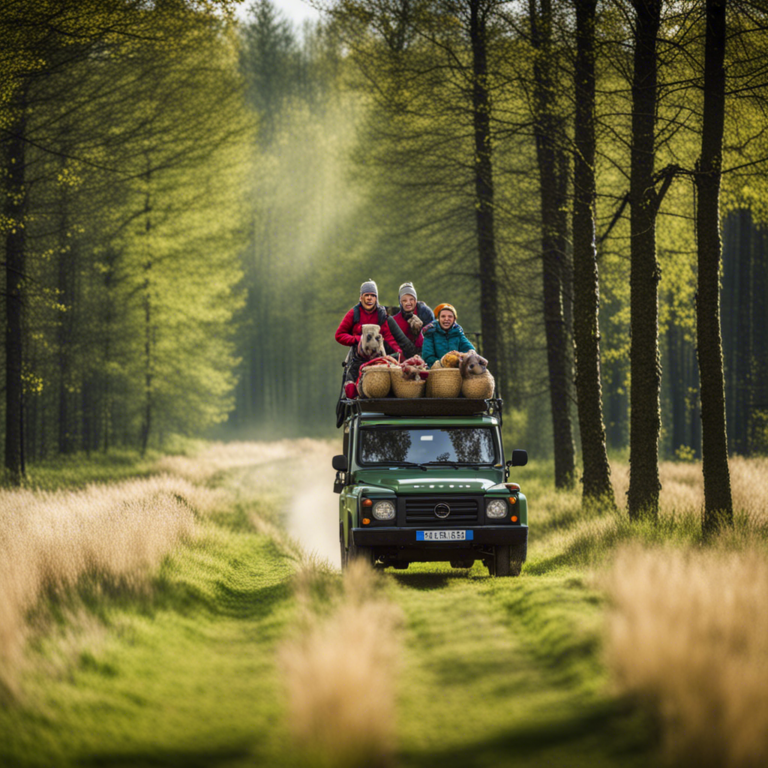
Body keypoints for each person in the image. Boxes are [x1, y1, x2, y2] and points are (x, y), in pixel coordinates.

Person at [336, 280, 402, 393]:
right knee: (351, 391)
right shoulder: (353, 313)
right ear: (361, 298)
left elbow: (388, 337)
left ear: (376, 298)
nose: (369, 298)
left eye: (373, 295)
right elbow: (339, 335)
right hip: (358, 358)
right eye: (366, 295)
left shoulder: (381, 314)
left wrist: (399, 353)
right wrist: (357, 339)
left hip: (378, 358)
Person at [388, 282, 434, 358]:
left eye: (411, 299)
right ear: (400, 302)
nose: (408, 303)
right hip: (401, 356)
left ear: (415, 300)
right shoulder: (394, 320)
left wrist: (418, 331)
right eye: (404, 300)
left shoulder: (425, 313)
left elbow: (430, 340)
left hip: (422, 354)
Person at [421, 302, 475, 367]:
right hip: (436, 371)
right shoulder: (430, 333)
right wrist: (444, 362)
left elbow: (471, 351)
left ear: (454, 319)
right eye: (443, 316)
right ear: (438, 319)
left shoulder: (458, 333)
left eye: (450, 317)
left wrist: (460, 355)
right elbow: (428, 358)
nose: (446, 319)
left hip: (457, 370)